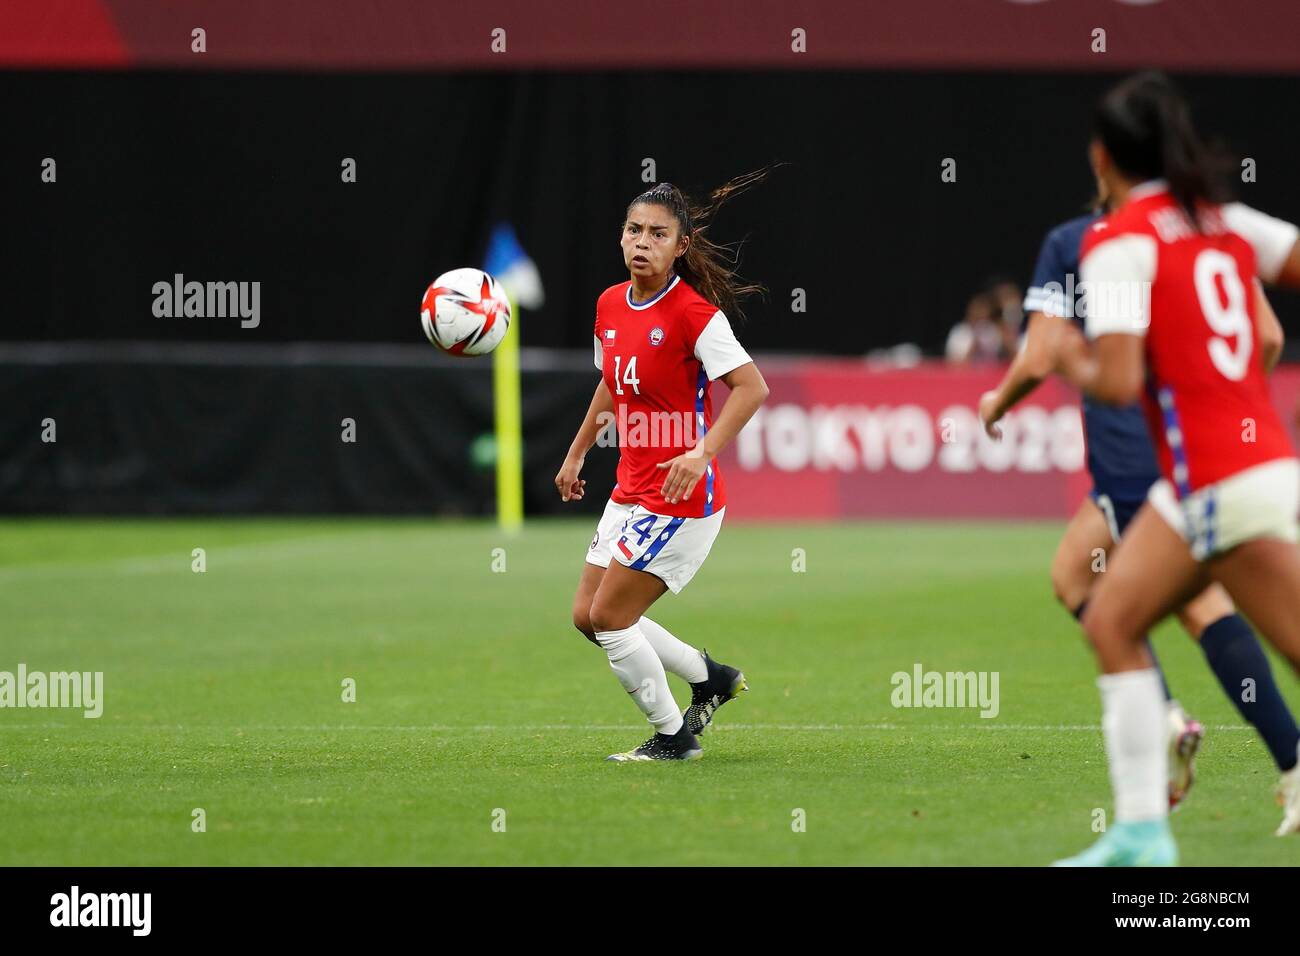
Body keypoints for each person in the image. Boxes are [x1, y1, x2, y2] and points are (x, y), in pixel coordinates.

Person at [1046, 73, 1300, 866]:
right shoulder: (1225, 220)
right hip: (1239, 474)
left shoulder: (1119, 243)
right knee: (1113, 616)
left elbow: (1118, 380)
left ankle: (1143, 835)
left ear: (1102, 156)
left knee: (1114, 621)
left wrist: (1068, 358)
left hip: (1218, 487)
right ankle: (1141, 834)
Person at [979, 207, 1300, 815]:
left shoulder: (1083, 240)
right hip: (1202, 450)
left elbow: (1044, 352)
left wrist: (997, 402)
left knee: (1198, 604)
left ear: (1104, 164)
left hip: (1142, 452)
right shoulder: (1214, 228)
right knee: (1075, 572)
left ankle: (1280, 759)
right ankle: (1168, 723)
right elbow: (1272, 338)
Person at [555, 175, 770, 762]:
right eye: (633, 230)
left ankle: (675, 737)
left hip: (682, 496)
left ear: (681, 245)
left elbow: (751, 388)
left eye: (657, 233)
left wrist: (702, 451)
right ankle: (711, 678)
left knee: (611, 617)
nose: (641, 242)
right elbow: (610, 383)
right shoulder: (608, 305)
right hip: (631, 490)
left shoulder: (694, 314)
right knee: (587, 616)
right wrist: (578, 452)